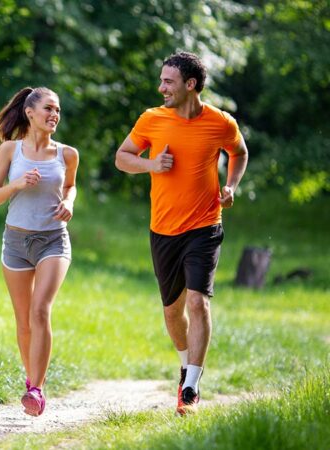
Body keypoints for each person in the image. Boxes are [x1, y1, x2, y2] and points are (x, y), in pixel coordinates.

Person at [115, 52, 249, 415]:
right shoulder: (152, 120)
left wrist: (232, 186)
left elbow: (239, 152)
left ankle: (190, 385)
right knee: (173, 312)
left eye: (168, 81)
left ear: (190, 85)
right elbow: (122, 157)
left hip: (205, 225)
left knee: (197, 301)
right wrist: (150, 164)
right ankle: (184, 366)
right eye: (161, 80)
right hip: (163, 229)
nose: (161, 88)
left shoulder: (220, 122)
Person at [0, 87, 79, 416]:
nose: (55, 115)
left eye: (58, 110)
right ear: (30, 112)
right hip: (16, 241)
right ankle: (31, 381)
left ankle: (37, 390)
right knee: (23, 322)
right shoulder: (10, 151)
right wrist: (17, 184)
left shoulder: (67, 154)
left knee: (41, 310)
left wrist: (68, 202)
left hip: (53, 240)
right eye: (49, 109)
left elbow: (70, 185)